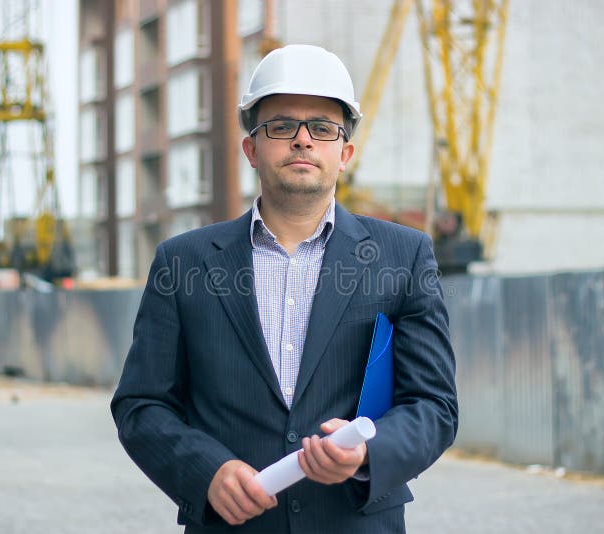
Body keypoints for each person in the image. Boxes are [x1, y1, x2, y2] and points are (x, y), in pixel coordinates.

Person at [111, 44, 458, 534]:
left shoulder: (404, 256)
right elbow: (141, 404)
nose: (302, 141)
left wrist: (366, 455)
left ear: (345, 154)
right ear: (251, 148)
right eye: (280, 126)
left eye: (322, 128)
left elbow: (434, 405)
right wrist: (205, 471)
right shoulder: (182, 261)